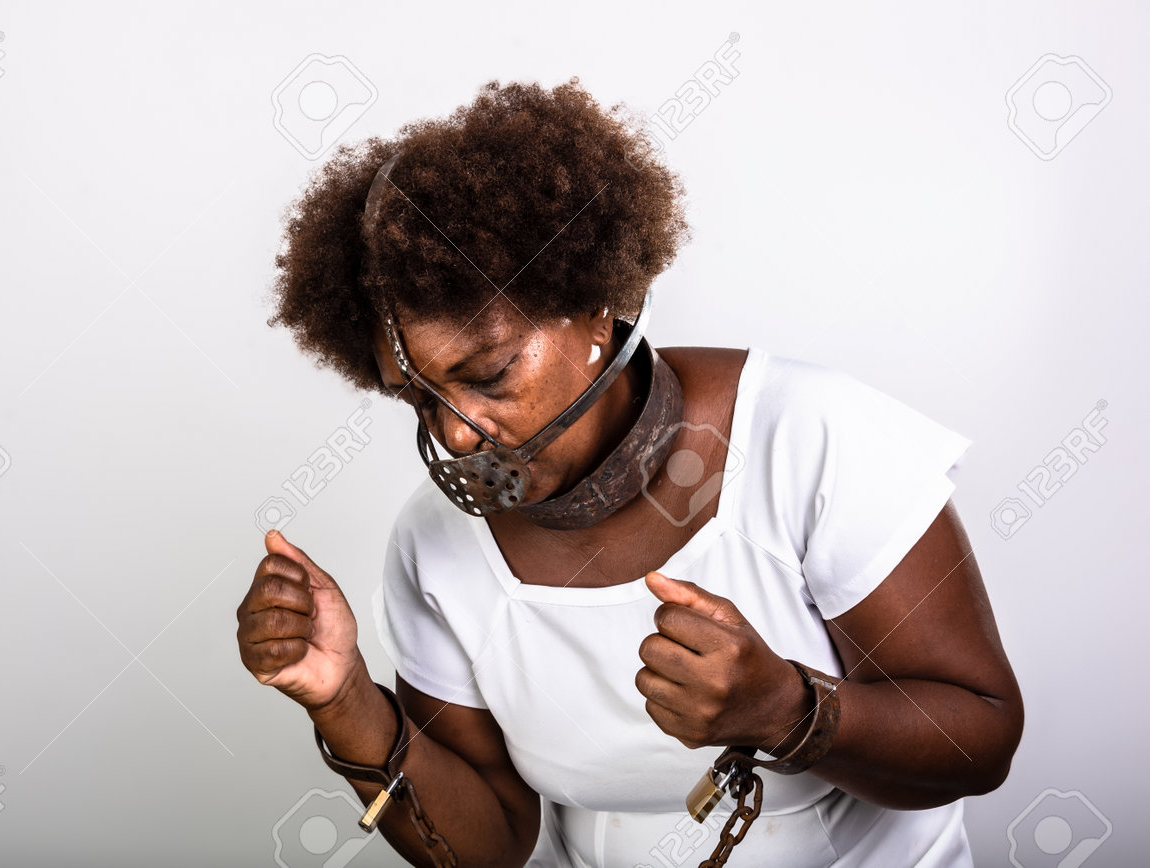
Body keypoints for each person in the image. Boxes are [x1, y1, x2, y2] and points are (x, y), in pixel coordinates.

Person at [237, 78, 1024, 867]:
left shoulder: (810, 436)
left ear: (598, 304)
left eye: (490, 373)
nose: (455, 434)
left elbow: (980, 738)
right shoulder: (432, 544)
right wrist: (345, 704)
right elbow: (490, 847)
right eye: (417, 399)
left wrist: (787, 710)